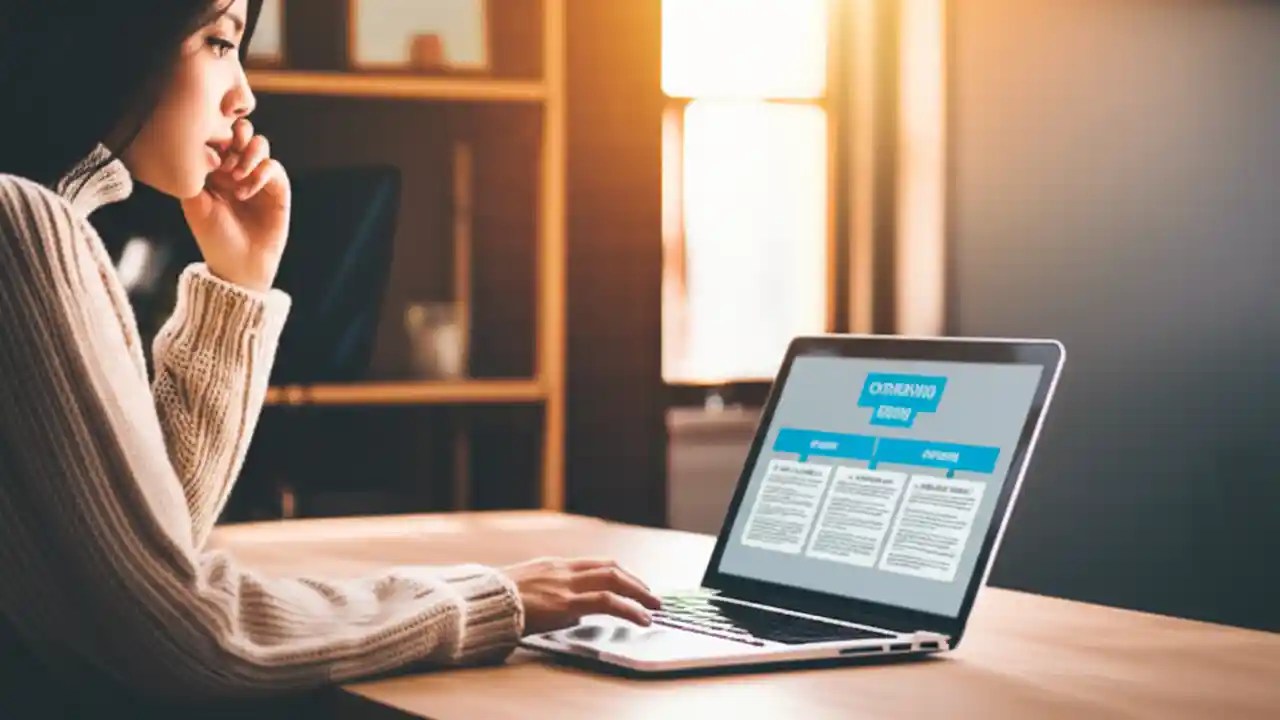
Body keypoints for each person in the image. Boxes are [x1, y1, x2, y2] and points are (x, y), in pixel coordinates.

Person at [0, 0, 659, 712]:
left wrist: (239, 283)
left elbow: (149, 559)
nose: (244, 94)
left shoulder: (41, 221)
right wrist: (485, 597)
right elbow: (179, 632)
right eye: (219, 40)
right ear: (114, 32)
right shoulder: (24, 226)